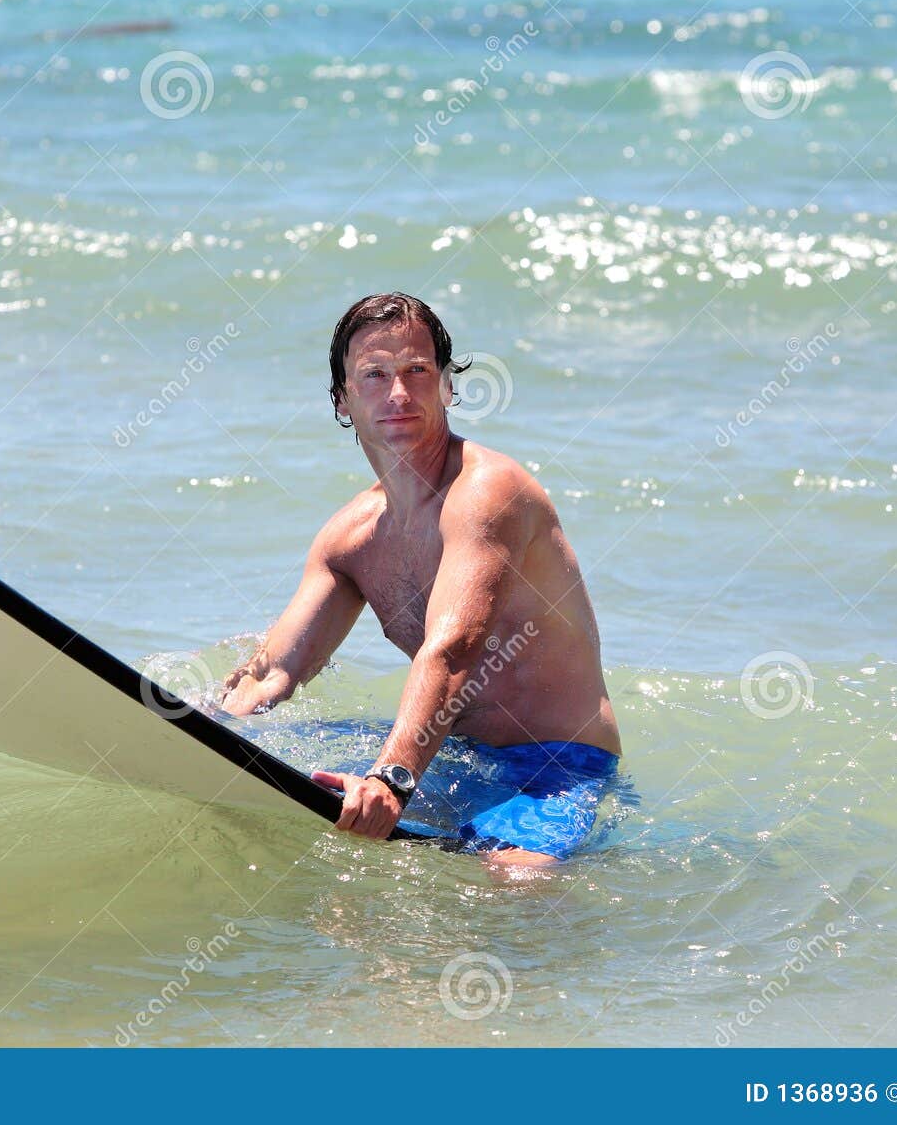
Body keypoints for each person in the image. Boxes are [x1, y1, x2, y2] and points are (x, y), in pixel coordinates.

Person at [219, 292, 621, 868]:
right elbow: (274, 672)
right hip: (456, 758)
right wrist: (201, 721)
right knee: (271, 779)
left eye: (417, 372)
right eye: (375, 375)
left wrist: (391, 780)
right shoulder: (352, 539)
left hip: (554, 765)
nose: (399, 394)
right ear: (343, 400)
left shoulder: (488, 493)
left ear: (448, 387)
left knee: (513, 881)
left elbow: (453, 647)